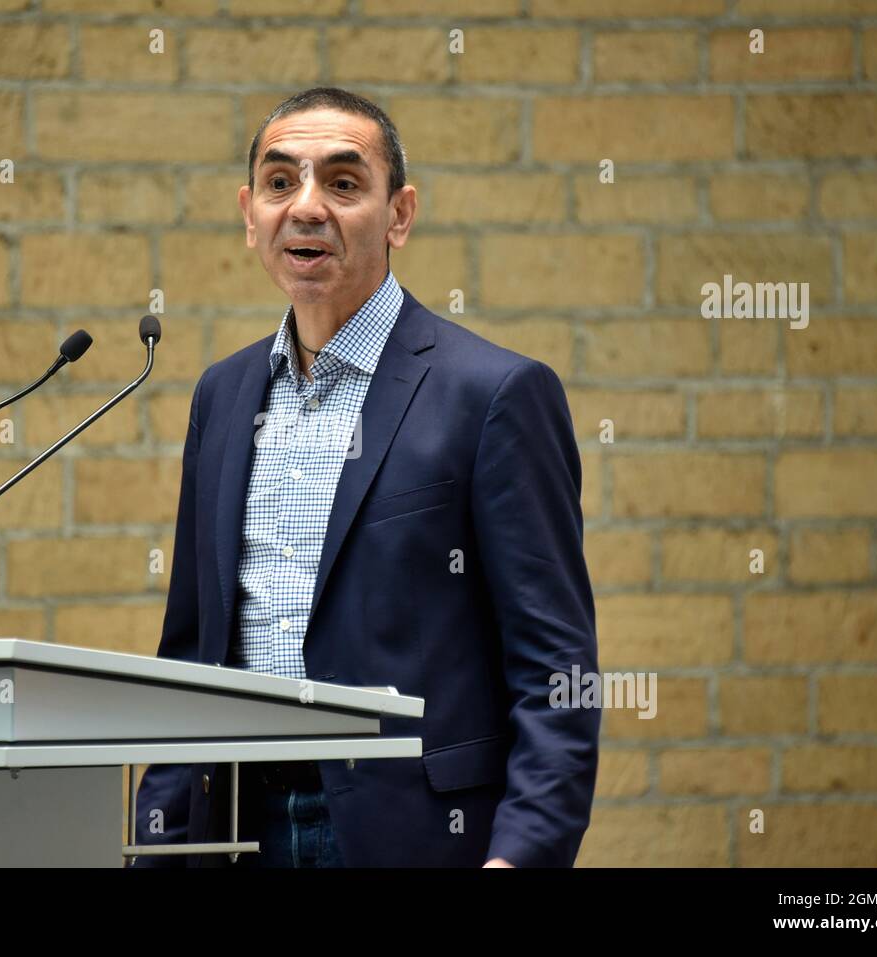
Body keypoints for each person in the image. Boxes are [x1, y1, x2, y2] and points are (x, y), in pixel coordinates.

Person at [130, 87, 599, 868]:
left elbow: (559, 673)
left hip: (412, 835)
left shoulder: (494, 395)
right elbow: (191, 653)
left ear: (400, 214)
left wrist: (519, 858)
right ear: (250, 214)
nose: (306, 207)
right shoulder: (224, 393)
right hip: (236, 825)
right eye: (281, 183)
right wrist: (156, 839)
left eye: (343, 184)